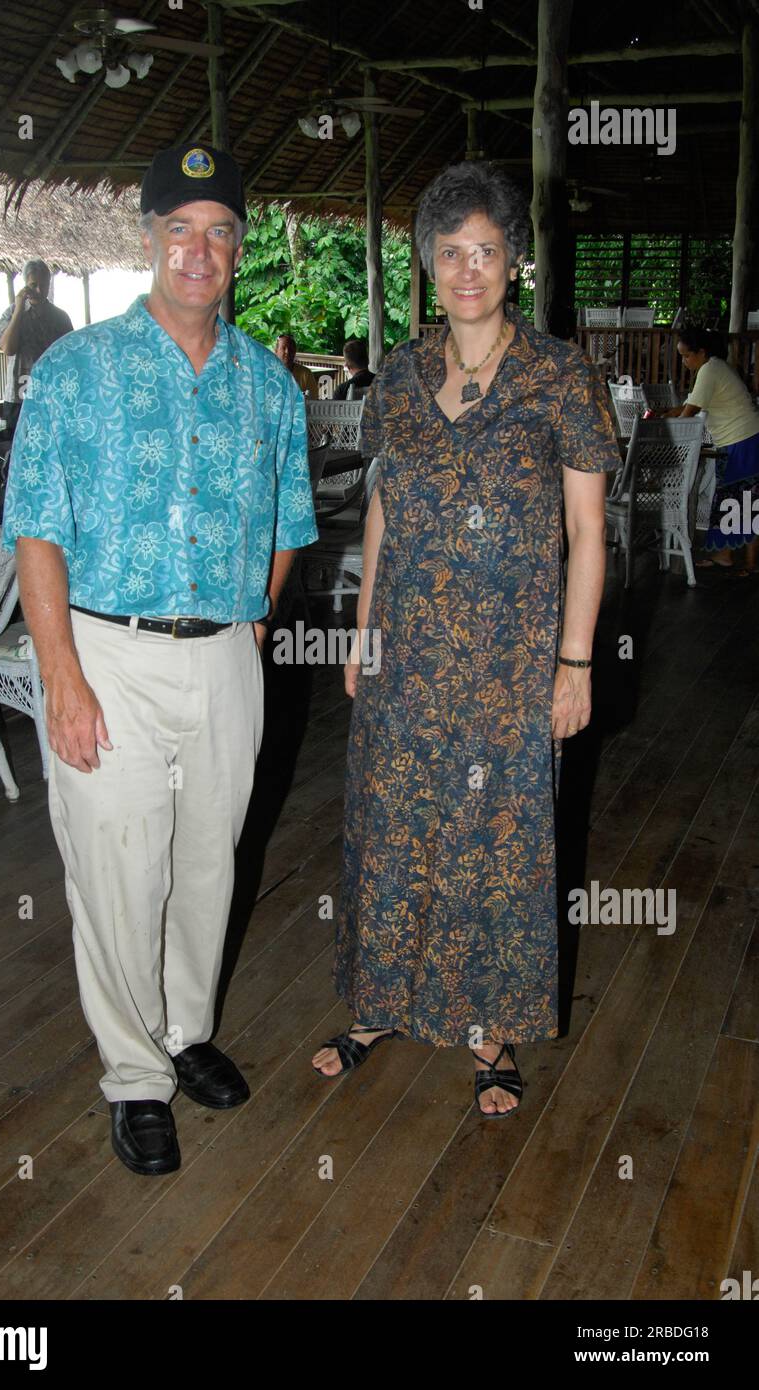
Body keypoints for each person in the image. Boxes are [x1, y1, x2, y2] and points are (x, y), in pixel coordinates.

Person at [2, 143, 318, 1177]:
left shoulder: (269, 389)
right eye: (178, 228)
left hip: (224, 653)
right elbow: (36, 528)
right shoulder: (76, 370)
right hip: (106, 650)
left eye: (218, 230)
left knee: (204, 863)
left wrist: (251, 625)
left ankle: (186, 1032)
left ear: (237, 247)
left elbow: (288, 525)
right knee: (117, 871)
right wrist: (62, 674)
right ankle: (134, 1075)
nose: (198, 249)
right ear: (148, 239)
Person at [311, 161, 621, 1116]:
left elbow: (585, 534)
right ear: (428, 267)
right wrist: (362, 636)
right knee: (391, 824)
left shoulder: (557, 374)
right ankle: (378, 1002)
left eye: (486, 252)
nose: (469, 270)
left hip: (511, 660)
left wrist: (574, 664)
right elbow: (382, 512)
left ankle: (489, 1030)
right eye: (451, 254)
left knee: (498, 840)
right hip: (405, 651)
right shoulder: (398, 378)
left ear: (513, 263)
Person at [662, 325, 759, 576]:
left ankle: (750, 564)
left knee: (744, 499)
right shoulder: (713, 367)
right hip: (742, 438)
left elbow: (688, 414)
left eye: (686, 355)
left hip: (743, 440)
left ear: (701, 352)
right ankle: (726, 556)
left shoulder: (710, 370)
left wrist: (661, 428)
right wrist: (661, 414)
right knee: (736, 498)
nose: (684, 361)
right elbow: (686, 405)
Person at [0, 259, 72, 431]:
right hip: (18, 395)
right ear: (25, 285)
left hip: (50, 394)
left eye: (43, 285)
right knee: (17, 449)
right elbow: (8, 348)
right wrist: (18, 311)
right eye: (33, 285)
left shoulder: (60, 318)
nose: (38, 290)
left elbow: (69, 357)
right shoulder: (11, 313)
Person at [274, 332, 319, 397]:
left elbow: (313, 401)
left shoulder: (305, 374)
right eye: (283, 348)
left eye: (291, 348)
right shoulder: (267, 373)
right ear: (276, 351)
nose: (287, 352)